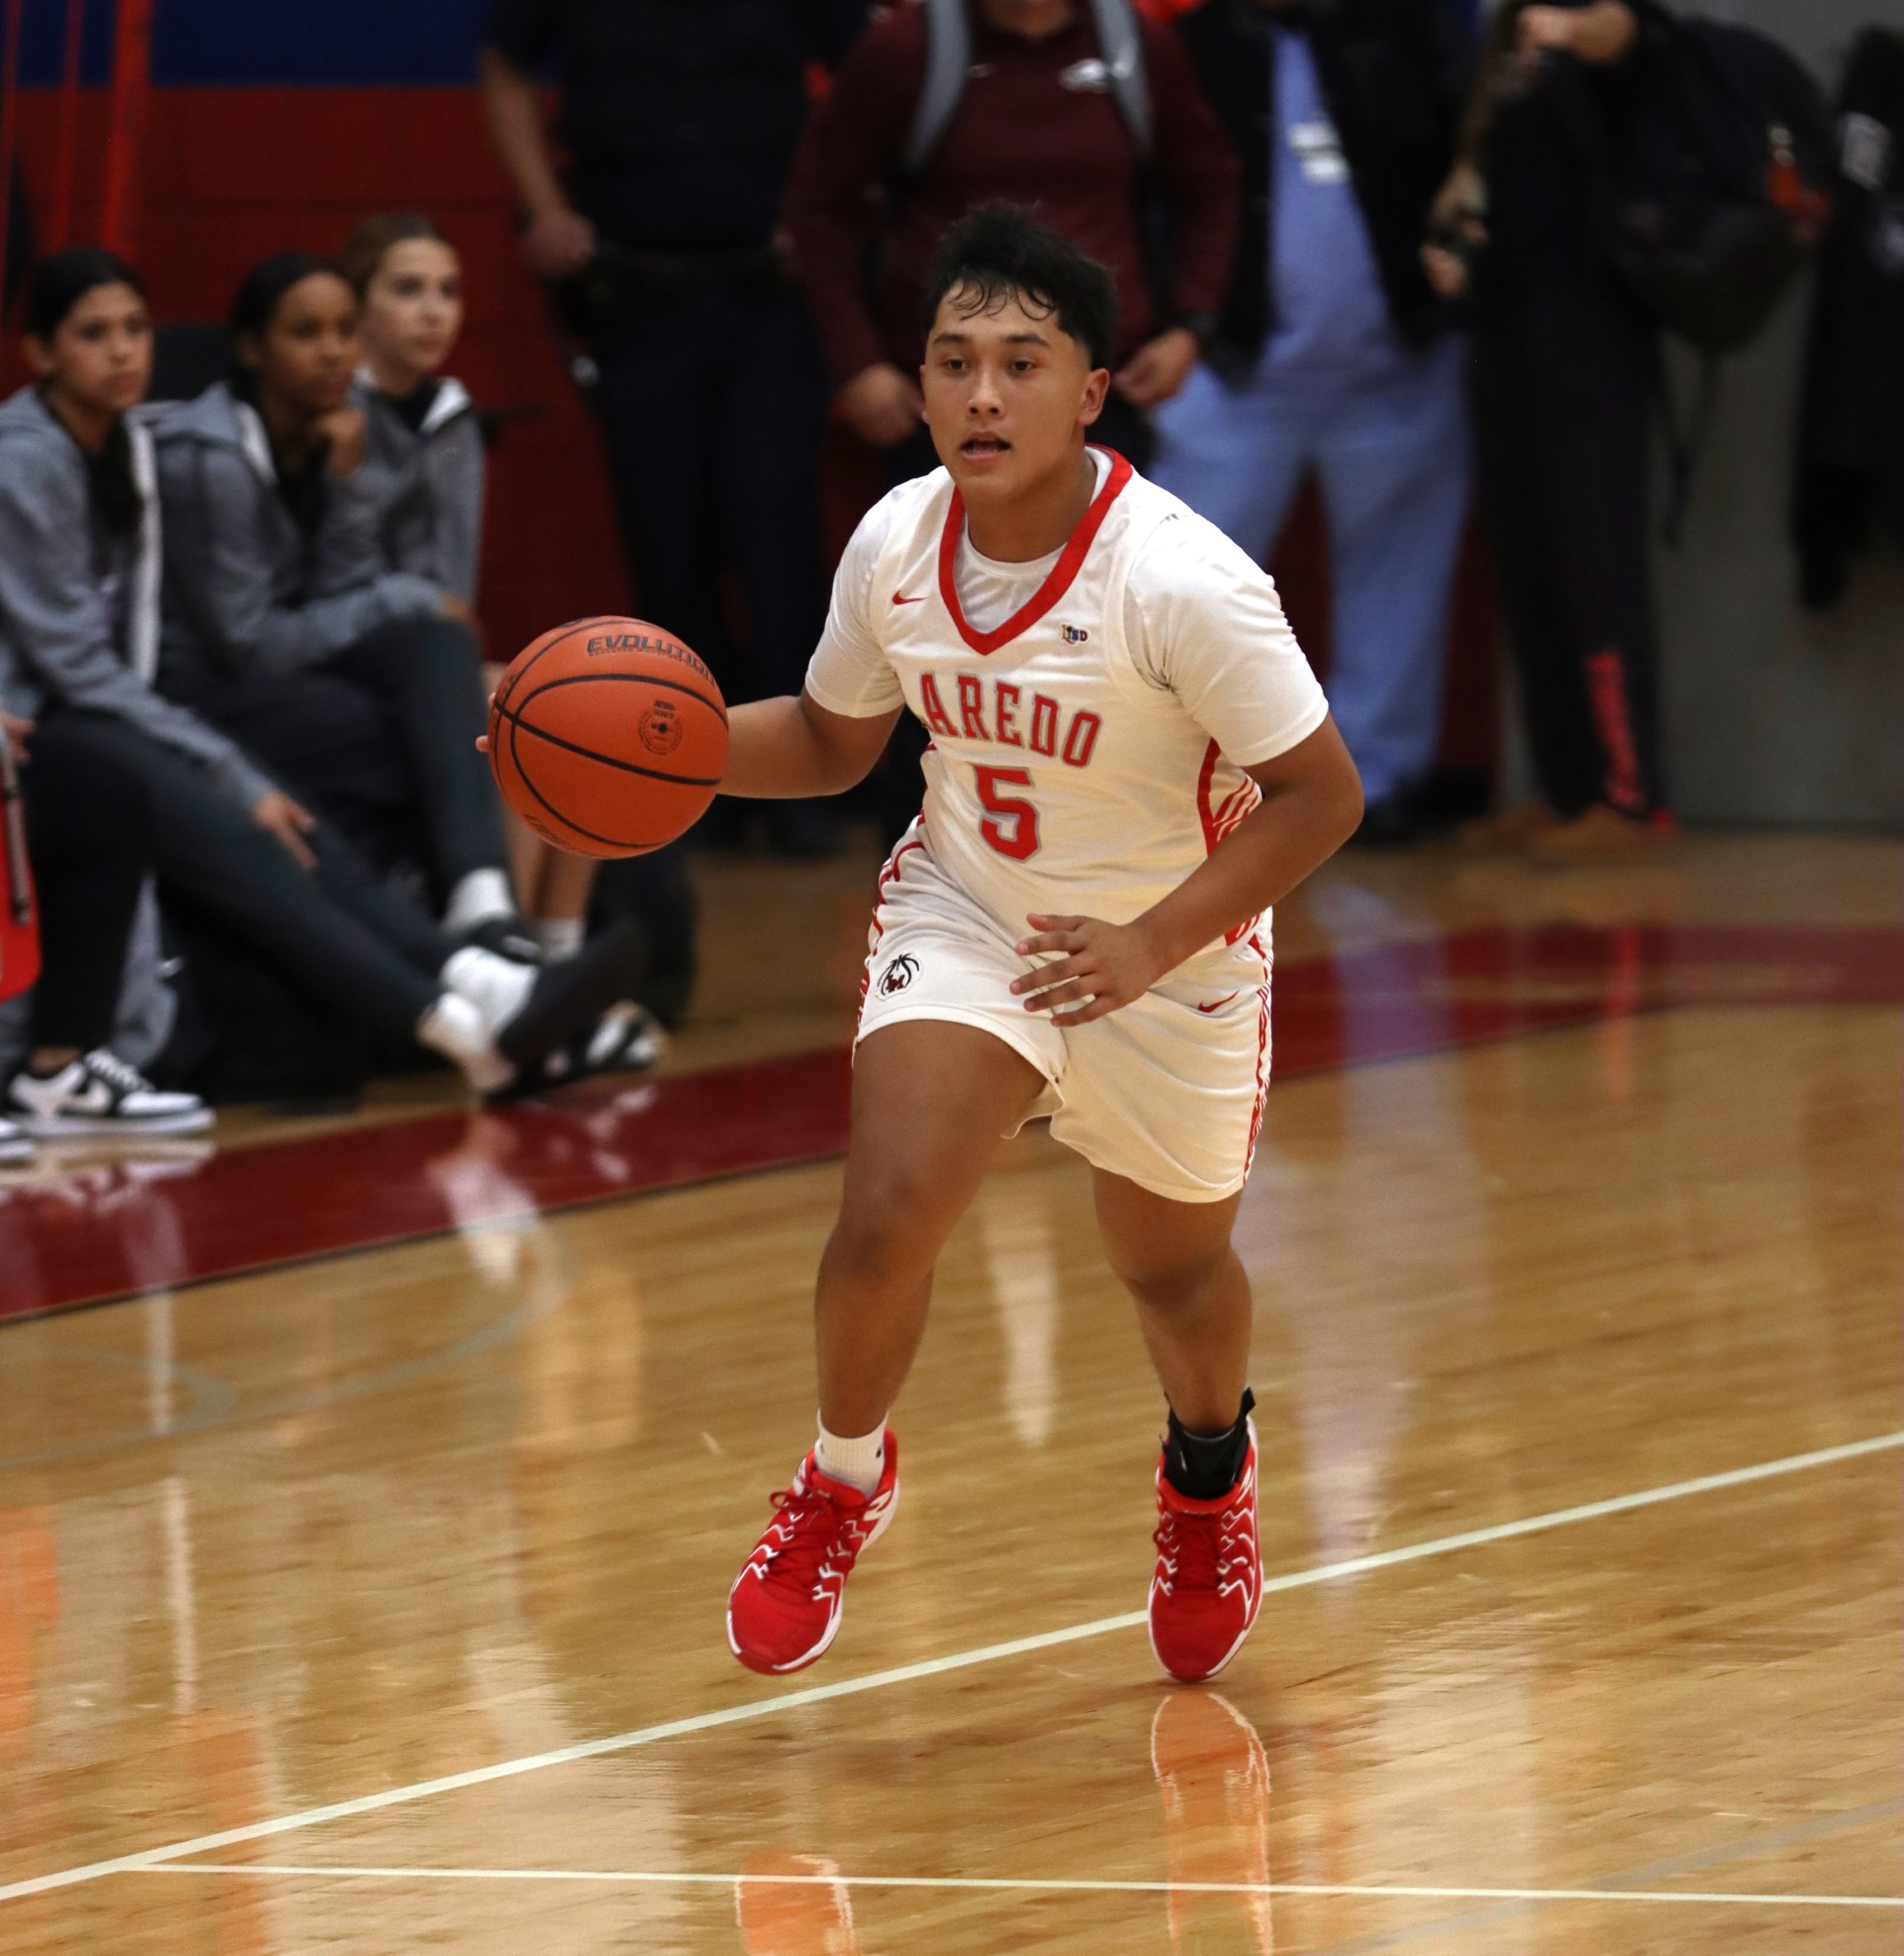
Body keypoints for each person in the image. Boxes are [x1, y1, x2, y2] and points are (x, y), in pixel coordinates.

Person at [712, 206, 1362, 1682]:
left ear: (1092, 390)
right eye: (954, 362)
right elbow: (827, 741)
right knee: (890, 1205)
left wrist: (1149, 942)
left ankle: (1207, 1479)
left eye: (1021, 362)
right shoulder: (894, 539)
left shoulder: (1184, 580)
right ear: (922, 384)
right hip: (973, 910)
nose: (983, 394)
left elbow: (1323, 795)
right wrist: (673, 756)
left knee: (1171, 1274)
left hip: (1171, 953)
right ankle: (841, 1478)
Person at [0, 249, 649, 1103]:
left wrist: (347, 495)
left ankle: (489, 974)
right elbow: (89, 662)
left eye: (134, 330)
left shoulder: (120, 443)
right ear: (39, 354)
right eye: (94, 335)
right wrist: (221, 762)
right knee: (257, 825)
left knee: (310, 815)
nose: (124, 353)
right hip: (58, 724)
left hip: (110, 711)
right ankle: (467, 1015)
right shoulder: (43, 459)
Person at [479, 0, 867, 856]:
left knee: (775, 535)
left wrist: (823, 204)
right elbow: (502, 66)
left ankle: (799, 789)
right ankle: (694, 782)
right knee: (665, 542)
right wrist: (544, 209)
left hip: (768, 295)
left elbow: (869, 72)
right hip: (633, 290)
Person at [1154, 0, 1473, 845]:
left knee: (1398, 584)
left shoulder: (1411, 28)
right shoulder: (1192, 43)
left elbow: (1465, 152)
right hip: (1235, 371)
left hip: (1397, 364)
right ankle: (1163, 789)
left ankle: (1381, 779)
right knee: (1178, 592)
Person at [154, 252, 536, 945]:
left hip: (286, 657)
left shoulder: (339, 422)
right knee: (430, 724)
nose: (333, 353)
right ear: (251, 348)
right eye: (307, 333)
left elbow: (341, 585)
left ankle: (482, 902)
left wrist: (349, 481)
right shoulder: (209, 461)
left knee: (439, 643)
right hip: (206, 684)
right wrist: (401, 596)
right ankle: (452, 922)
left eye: (345, 331)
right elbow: (247, 641)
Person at [782, 0, 1240, 477]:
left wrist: (1190, 328)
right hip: (947, 399)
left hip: (1102, 392)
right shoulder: (905, 48)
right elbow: (817, 204)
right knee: (953, 554)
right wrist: (859, 363)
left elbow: (1209, 183)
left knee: (1100, 552)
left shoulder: (1134, 45)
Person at [1423, 0, 1673, 861]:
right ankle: (1567, 790)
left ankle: (1634, 799)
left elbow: (1627, 37)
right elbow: (1492, 170)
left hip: (1589, 336)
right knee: (1527, 569)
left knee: (1595, 565)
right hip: (1505, 331)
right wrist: (1460, 239)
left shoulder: (1596, 25)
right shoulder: (1499, 38)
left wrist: (1570, 31)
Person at [343, 209, 596, 964]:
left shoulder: (453, 420)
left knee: (587, 707)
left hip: (431, 647)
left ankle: (560, 953)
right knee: (519, 709)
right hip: (344, 642)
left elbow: (456, 588)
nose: (433, 310)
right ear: (356, 303)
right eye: (408, 289)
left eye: (448, 291)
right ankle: (503, 954)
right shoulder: (329, 410)